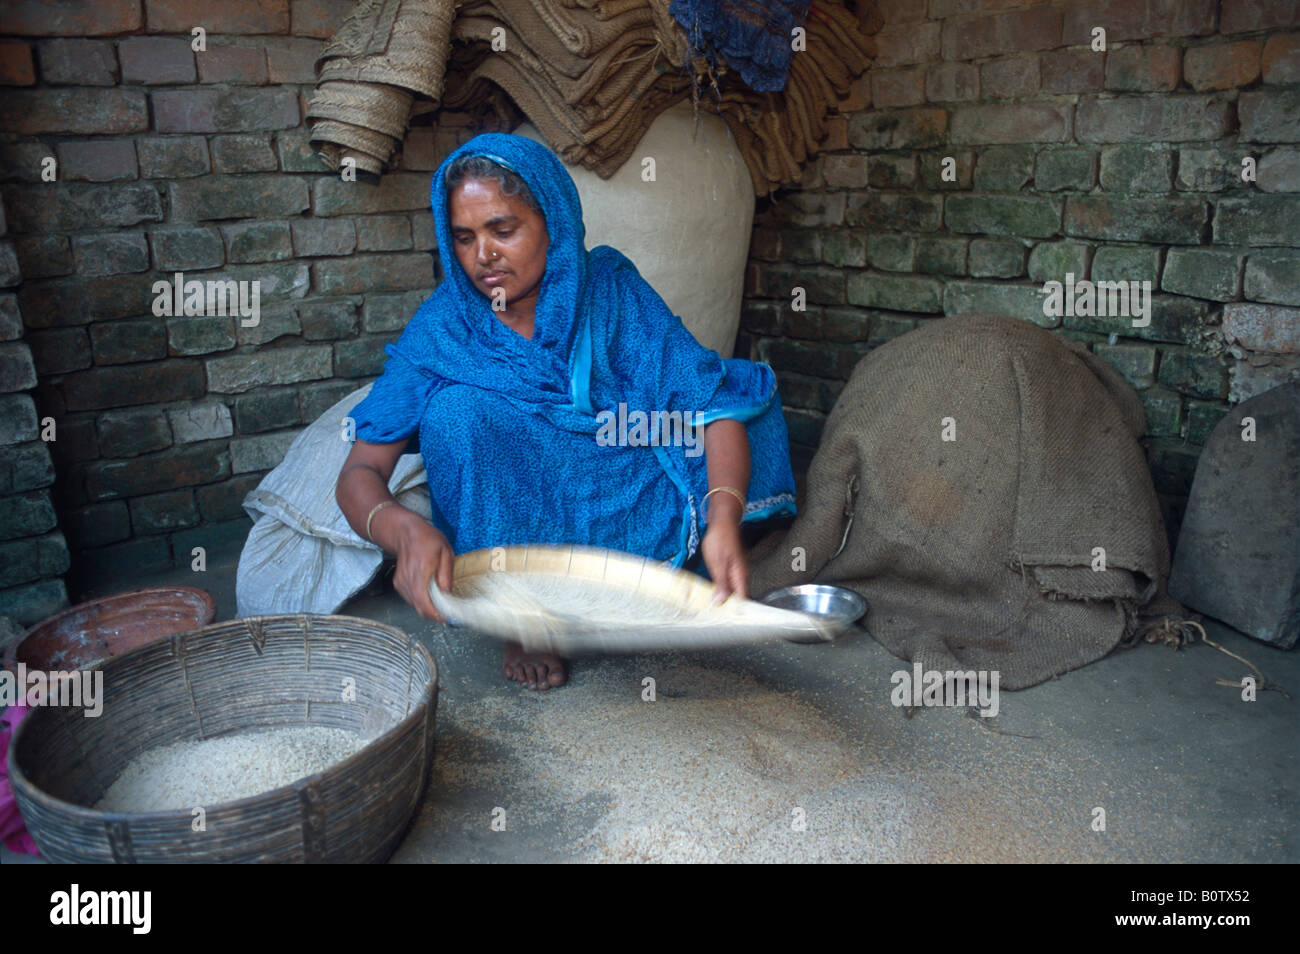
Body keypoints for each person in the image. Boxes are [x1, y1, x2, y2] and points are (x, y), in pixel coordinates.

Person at [335, 133, 795, 690]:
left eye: (503, 230)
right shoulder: (444, 327)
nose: (483, 256)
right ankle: (528, 617)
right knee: (456, 413)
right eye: (464, 237)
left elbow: (709, 406)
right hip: (524, 506)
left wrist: (722, 518)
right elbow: (360, 473)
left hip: (621, 473)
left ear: (552, 222)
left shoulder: (608, 291)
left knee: (744, 417)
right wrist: (402, 528)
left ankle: (663, 558)